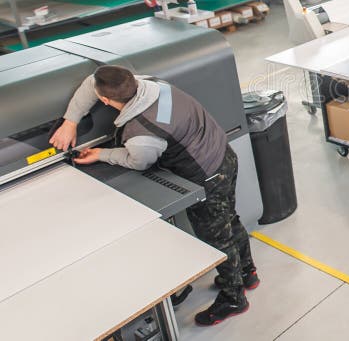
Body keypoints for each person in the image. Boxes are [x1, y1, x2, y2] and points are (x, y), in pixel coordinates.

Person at [49, 66, 258, 327]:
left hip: (206, 177)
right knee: (229, 218)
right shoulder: (150, 83)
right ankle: (247, 271)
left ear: (104, 100)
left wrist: (101, 154)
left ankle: (234, 297)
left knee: (216, 238)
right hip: (222, 156)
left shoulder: (142, 131)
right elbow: (93, 81)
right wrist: (71, 121)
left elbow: (138, 162)